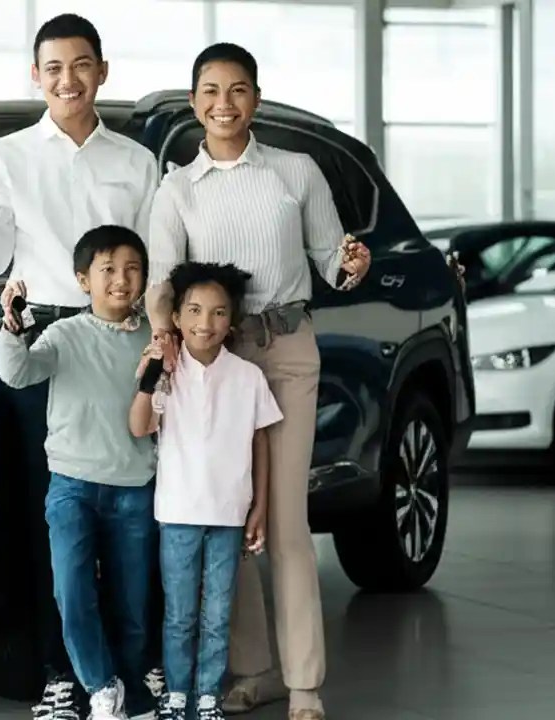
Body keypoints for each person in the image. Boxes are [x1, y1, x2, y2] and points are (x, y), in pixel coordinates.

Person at [143, 43, 372, 720]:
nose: (224, 104)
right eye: (210, 91)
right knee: (226, 515)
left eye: (237, 90)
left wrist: (352, 262)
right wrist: (165, 338)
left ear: (257, 99)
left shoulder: (296, 172)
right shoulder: (176, 189)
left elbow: (335, 261)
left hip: (288, 347)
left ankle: (305, 682)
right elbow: (162, 280)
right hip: (212, 358)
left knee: (286, 520)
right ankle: (252, 669)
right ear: (194, 103)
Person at [0, 12, 164, 719]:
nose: (67, 79)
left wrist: (160, 342)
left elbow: (153, 264)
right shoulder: (7, 157)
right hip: (45, 337)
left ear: (102, 70)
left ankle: (136, 671)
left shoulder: (135, 161)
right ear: (34, 76)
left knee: (136, 509)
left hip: (126, 336)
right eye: (52, 68)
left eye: (80, 65)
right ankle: (60, 676)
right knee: (52, 517)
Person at [0, 225, 160, 720]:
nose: (121, 280)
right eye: (107, 270)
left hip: (134, 486)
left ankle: (131, 688)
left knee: (133, 605)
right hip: (71, 486)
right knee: (72, 590)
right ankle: (100, 685)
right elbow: (17, 372)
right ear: (82, 281)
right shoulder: (65, 334)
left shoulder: (155, 337)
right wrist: (11, 329)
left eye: (133, 269)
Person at [130, 262, 283, 720]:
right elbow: (139, 426)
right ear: (175, 318)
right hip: (177, 512)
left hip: (229, 515)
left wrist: (260, 506)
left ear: (232, 321)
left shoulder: (248, 377)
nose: (206, 322)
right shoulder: (167, 373)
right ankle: (177, 696)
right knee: (180, 616)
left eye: (218, 313)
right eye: (194, 310)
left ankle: (208, 697)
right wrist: (149, 374)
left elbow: (260, 439)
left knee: (218, 616)